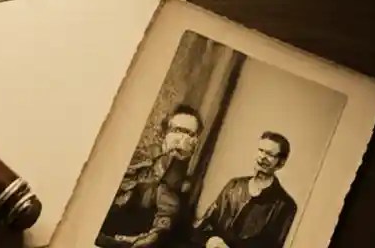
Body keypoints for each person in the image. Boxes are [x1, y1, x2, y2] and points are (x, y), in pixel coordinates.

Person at [96, 104, 202, 247]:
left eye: (191, 134)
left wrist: (153, 235)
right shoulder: (135, 156)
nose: (183, 139)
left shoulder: (181, 177)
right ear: (163, 134)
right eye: (178, 130)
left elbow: (166, 211)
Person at [192, 132, 297, 248]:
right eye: (260, 150)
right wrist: (210, 240)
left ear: (281, 163)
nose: (262, 157)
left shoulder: (285, 205)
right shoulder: (234, 186)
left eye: (269, 154)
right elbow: (205, 223)